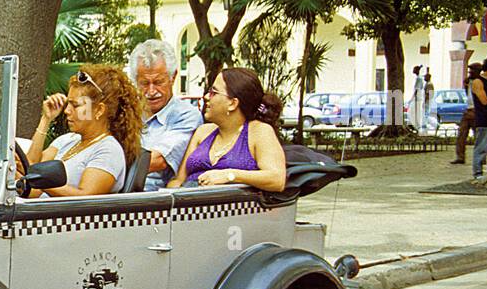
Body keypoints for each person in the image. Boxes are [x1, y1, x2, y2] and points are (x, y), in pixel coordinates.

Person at [19, 65, 142, 197]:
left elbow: (84, 198)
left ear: (99, 110)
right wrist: (46, 119)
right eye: (68, 104)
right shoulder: (68, 140)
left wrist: (35, 178)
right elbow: (32, 165)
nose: (66, 111)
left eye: (75, 105)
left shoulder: (108, 150)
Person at [168, 67, 287, 191]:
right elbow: (179, 180)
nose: (206, 96)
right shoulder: (203, 132)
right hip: (191, 204)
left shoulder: (259, 132)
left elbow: (277, 179)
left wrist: (229, 175)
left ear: (233, 103)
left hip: (232, 208)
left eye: (214, 92)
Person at [127, 38, 202, 189]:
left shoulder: (186, 115)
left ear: (173, 77)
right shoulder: (127, 112)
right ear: (135, 81)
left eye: (159, 82)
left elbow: (157, 161)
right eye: (144, 83)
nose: (152, 91)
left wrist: (105, 166)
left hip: (152, 201)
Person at [451, 63, 483, 164]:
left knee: (478, 136)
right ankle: (460, 156)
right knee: (461, 134)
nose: (470, 72)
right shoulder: (468, 81)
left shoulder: (481, 82)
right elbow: (467, 94)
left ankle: (481, 158)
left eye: (472, 71)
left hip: (477, 111)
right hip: (468, 110)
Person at [408, 65, 426, 131]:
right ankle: (415, 125)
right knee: (415, 112)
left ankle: (415, 125)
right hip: (417, 98)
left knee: (413, 112)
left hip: (417, 99)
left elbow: (417, 90)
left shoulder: (419, 79)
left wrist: (412, 99)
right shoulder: (419, 78)